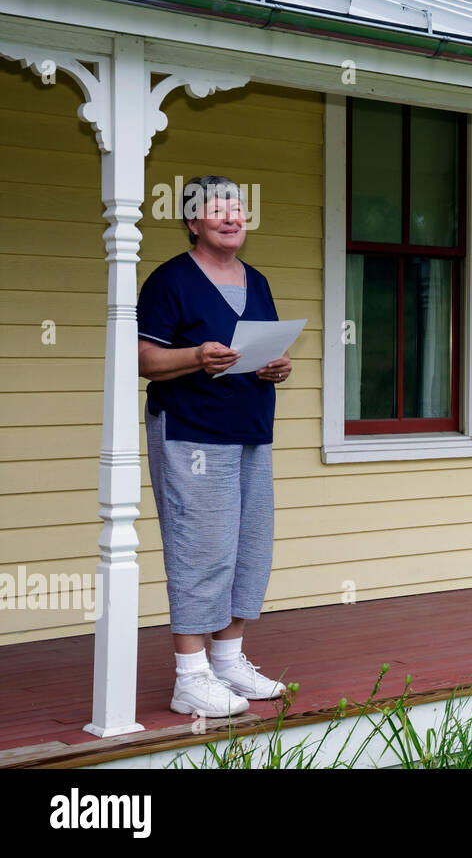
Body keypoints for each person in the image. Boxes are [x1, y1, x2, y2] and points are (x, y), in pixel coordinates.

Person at [137, 175, 293, 718]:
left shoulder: (258, 280)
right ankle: (190, 676)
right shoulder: (170, 280)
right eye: (218, 210)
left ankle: (228, 661)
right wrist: (196, 357)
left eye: (238, 209)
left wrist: (278, 367)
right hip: (191, 431)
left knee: (249, 548)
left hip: (250, 429)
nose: (232, 218)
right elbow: (144, 360)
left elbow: (259, 349)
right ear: (193, 221)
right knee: (201, 549)